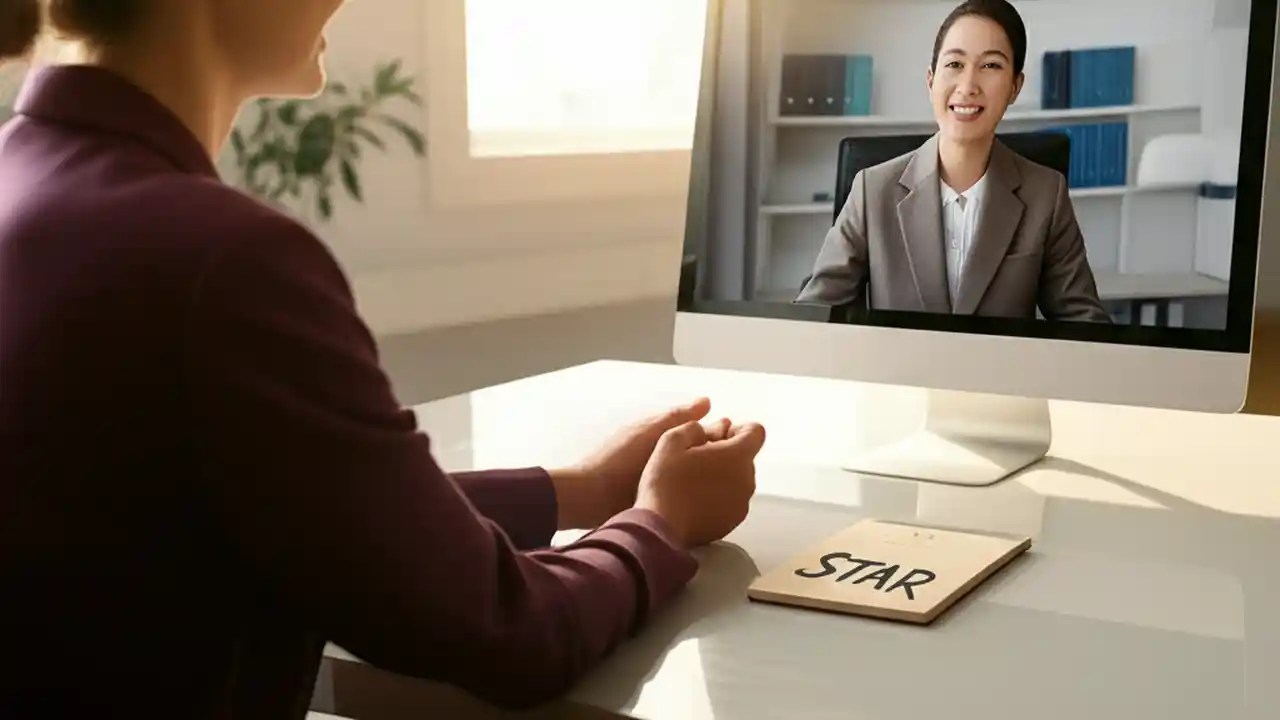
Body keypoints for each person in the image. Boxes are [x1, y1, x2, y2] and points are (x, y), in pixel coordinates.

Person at [0, 1, 766, 717]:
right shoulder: (220, 262)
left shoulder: (27, 184)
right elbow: (510, 635)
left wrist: (575, 493)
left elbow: (282, 503)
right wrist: (662, 520)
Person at [796, 0, 1111, 323]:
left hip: (998, 373)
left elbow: (1084, 323)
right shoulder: (872, 191)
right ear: (931, 80)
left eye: (991, 66)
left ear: (1015, 87)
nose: (968, 86)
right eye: (955, 64)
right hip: (901, 372)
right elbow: (816, 314)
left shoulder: (1045, 194)